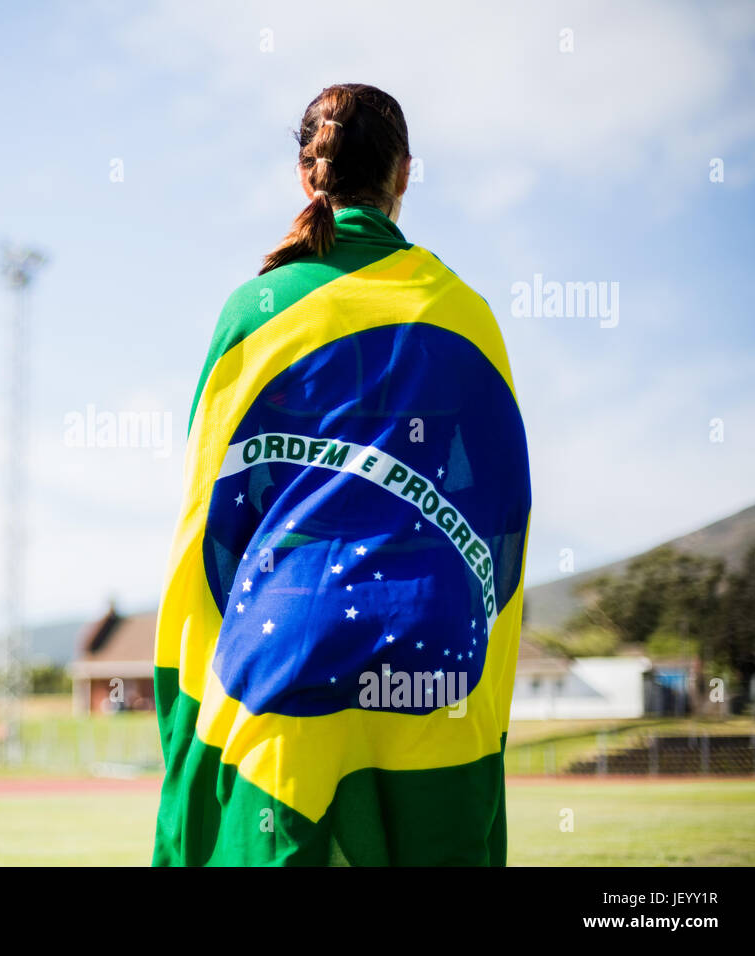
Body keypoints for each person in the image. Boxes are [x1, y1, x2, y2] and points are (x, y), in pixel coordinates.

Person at [152, 83, 532, 866]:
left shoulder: (257, 307)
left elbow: (210, 517)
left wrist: (193, 695)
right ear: (403, 177)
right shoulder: (464, 311)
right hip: (436, 652)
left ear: (307, 175)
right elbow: (503, 514)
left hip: (284, 644)